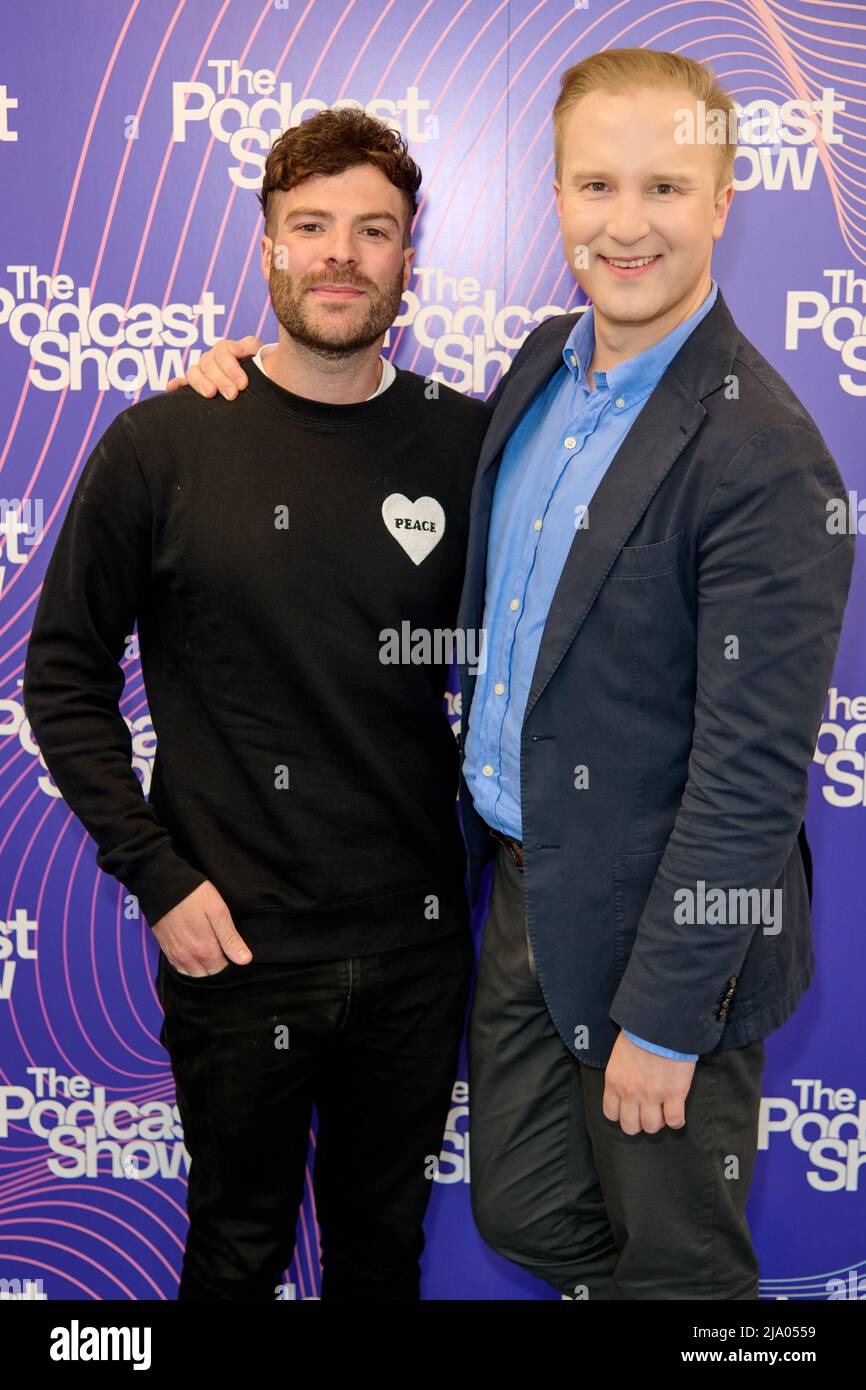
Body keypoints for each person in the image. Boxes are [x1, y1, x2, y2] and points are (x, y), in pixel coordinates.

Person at [169, 50, 855, 1300]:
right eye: (596, 185)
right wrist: (243, 383)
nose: (626, 222)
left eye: (664, 186)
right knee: (527, 1206)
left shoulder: (762, 452)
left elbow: (750, 778)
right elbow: (361, 443)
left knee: (683, 1273)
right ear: (554, 199)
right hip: (523, 896)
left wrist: (663, 1016)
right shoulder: (540, 365)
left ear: (721, 200)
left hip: (663, 924)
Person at [22, 107, 491, 1301]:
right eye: (311, 225)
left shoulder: (471, 448)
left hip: (415, 942)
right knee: (236, 1248)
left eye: (371, 230)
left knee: (382, 1256)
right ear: (268, 247)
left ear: (406, 256)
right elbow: (62, 672)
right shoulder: (164, 443)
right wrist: (156, 873)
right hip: (234, 945)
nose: (341, 253)